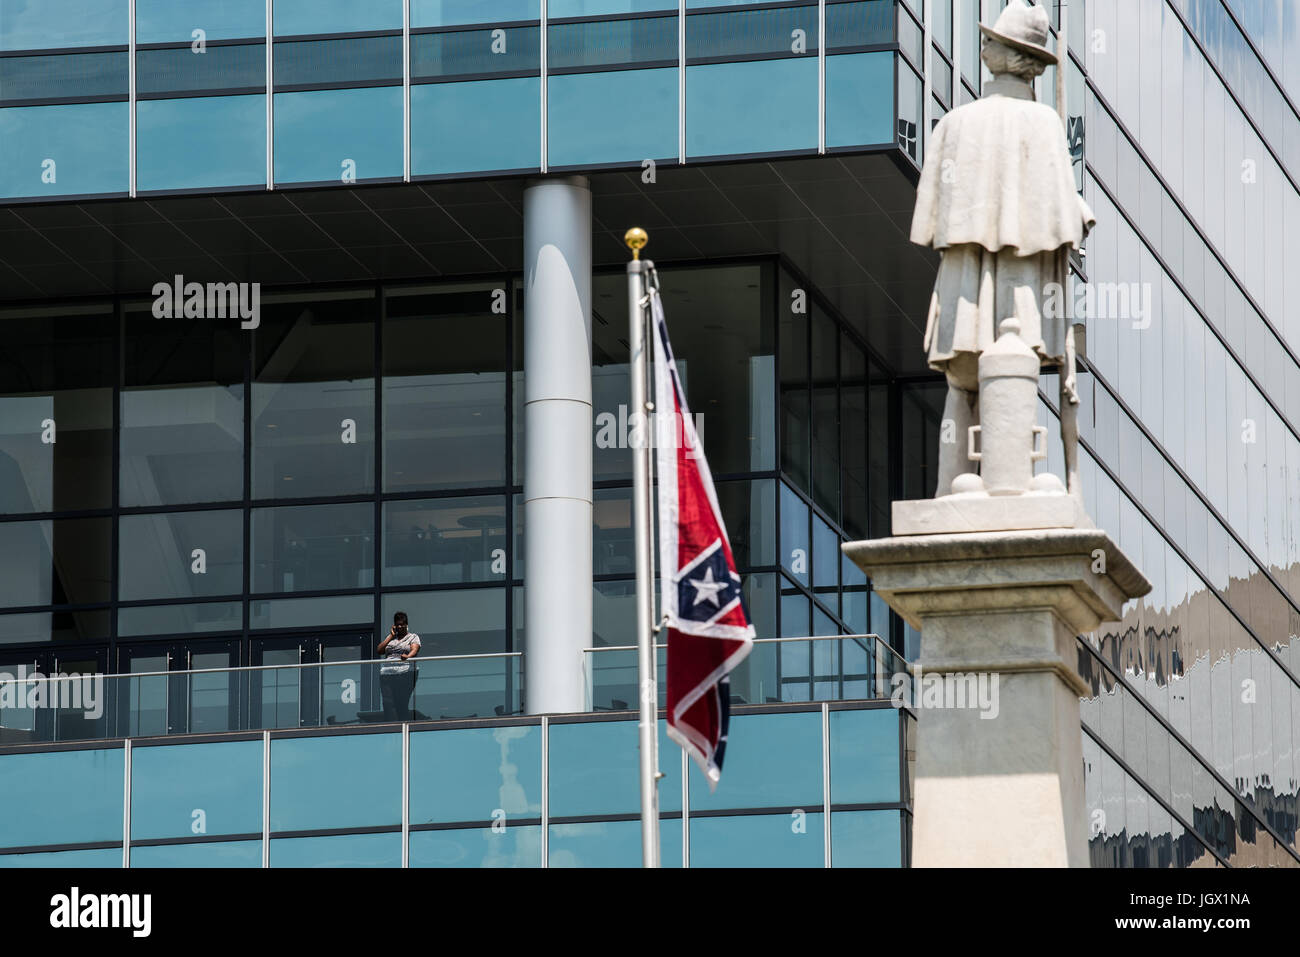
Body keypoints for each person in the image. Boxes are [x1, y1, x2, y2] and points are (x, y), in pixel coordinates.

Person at [910, 2, 1093, 498]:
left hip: (969, 279)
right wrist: (1074, 208)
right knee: (1013, 374)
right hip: (1023, 284)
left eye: (993, 40)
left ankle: (952, 487)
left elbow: (933, 220)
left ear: (1013, 56)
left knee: (964, 383)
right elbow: (1063, 224)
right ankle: (1004, 484)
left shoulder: (955, 124)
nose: (983, 45)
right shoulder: (1043, 125)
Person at [378, 611, 421, 721]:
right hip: (387, 673)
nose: (400, 626)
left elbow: (415, 649)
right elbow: (379, 650)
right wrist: (391, 636)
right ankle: (391, 727)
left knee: (401, 702)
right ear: (394, 626)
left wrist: (407, 656)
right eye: (398, 624)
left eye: (402, 624)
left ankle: (403, 725)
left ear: (407, 625)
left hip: (405, 672)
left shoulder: (413, 637)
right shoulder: (391, 639)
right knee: (388, 702)